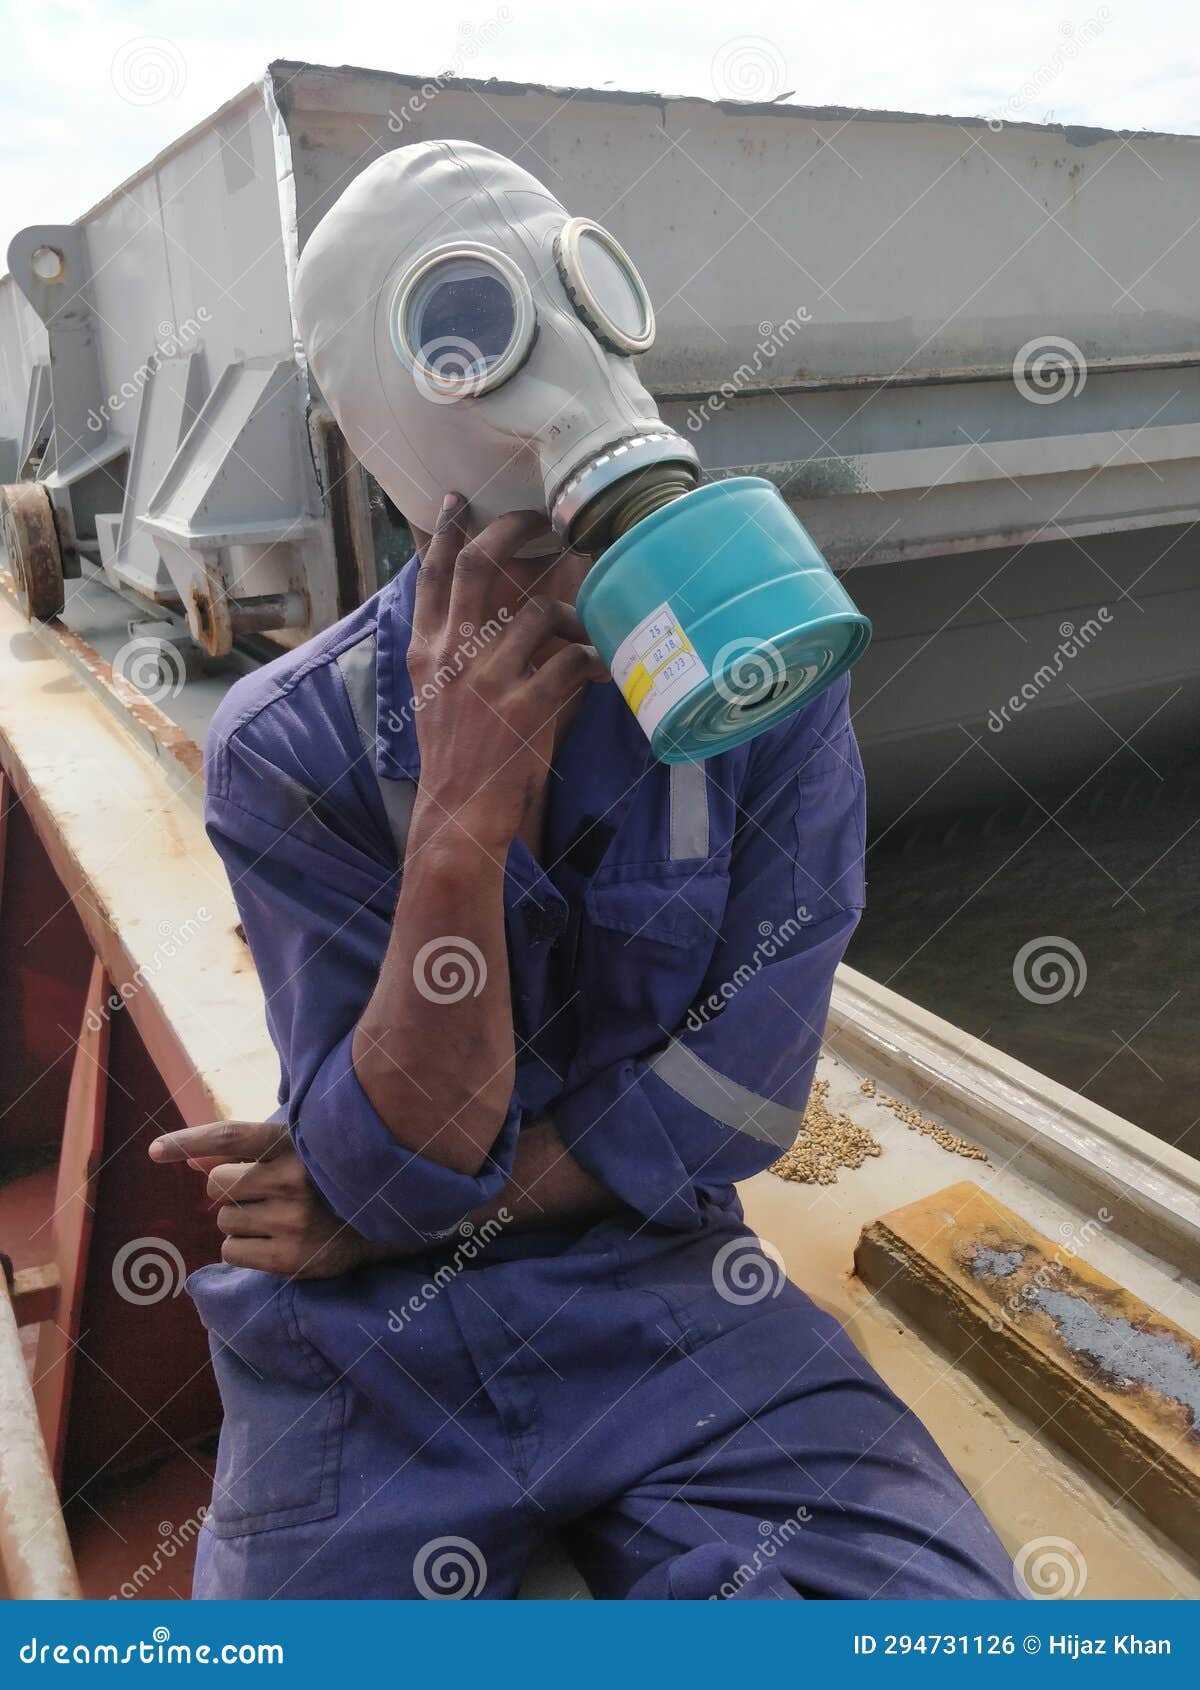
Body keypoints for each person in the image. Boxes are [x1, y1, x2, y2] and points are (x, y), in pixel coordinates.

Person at [150, 491, 1018, 1600]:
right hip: (374, 1350)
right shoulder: (286, 741)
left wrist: (389, 1208)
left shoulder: (769, 684)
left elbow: (733, 1107)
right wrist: (459, 826)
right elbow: (396, 1172)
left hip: (670, 1290)